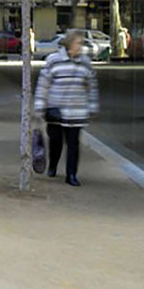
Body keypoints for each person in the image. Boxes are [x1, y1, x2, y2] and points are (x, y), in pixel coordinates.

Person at [34, 29, 98, 185]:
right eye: (77, 43)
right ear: (69, 44)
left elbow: (91, 85)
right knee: (55, 141)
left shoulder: (85, 63)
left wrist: (92, 105)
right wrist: (40, 104)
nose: (80, 46)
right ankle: (53, 165)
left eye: (81, 43)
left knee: (73, 144)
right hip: (56, 110)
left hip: (77, 110)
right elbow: (44, 84)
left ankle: (71, 175)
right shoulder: (54, 60)